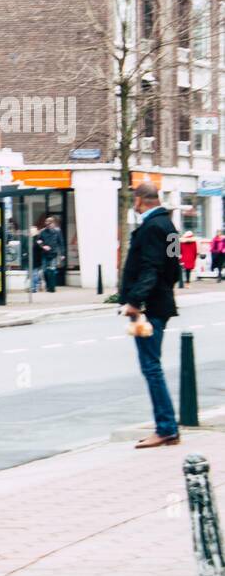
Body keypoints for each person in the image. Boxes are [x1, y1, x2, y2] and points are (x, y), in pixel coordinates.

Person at [119, 182, 182, 449]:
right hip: (158, 304)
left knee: (151, 367)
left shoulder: (152, 228)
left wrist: (135, 301)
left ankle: (166, 428)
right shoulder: (169, 227)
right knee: (151, 364)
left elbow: (151, 268)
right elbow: (174, 267)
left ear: (140, 200)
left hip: (146, 309)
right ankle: (167, 427)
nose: (133, 204)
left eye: (134, 199)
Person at [38, 216, 64, 292]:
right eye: (48, 223)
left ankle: (51, 287)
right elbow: (39, 241)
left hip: (53, 254)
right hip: (44, 254)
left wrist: (62, 254)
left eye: (51, 223)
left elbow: (61, 242)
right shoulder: (42, 231)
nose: (49, 225)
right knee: (44, 271)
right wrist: (43, 246)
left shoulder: (57, 231)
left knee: (52, 270)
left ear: (53, 224)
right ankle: (48, 284)